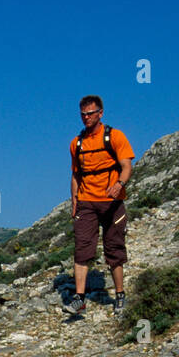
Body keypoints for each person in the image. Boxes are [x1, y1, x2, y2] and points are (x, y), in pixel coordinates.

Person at [63, 95, 135, 315]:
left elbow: (126, 166)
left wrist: (119, 184)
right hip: (86, 202)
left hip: (112, 203)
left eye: (90, 114)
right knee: (82, 249)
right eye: (83, 114)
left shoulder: (114, 136)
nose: (86, 118)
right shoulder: (77, 143)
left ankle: (120, 295)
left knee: (114, 248)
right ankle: (79, 298)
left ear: (100, 113)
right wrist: (74, 201)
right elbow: (76, 175)